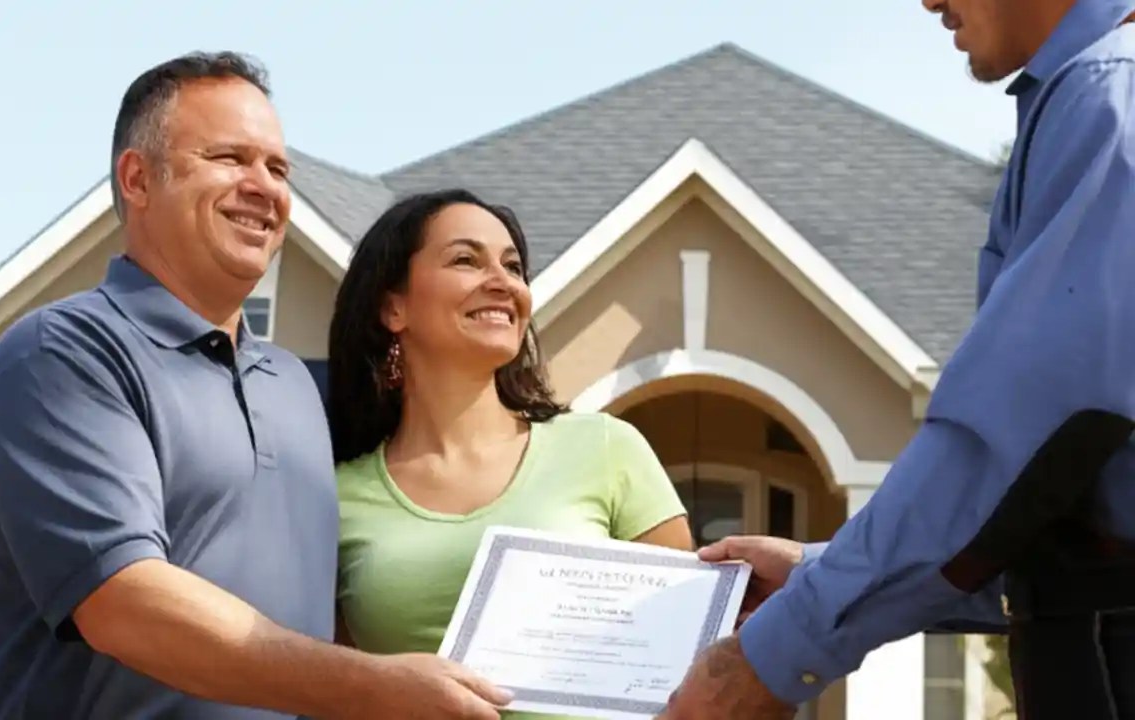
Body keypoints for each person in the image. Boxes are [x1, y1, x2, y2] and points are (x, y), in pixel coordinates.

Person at [0, 52, 513, 720]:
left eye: (277, 168)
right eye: (230, 158)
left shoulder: (295, 387)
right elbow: (126, 605)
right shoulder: (65, 355)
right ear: (137, 179)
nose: (265, 187)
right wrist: (370, 686)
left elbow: (453, 486)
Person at [657, 0, 1135, 718]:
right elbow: (1054, 511)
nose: (928, 0)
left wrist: (772, 654)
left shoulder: (1109, 96)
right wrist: (820, 574)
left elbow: (1026, 437)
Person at [325, 188, 695, 719]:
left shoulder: (607, 448)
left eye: (514, 266)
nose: (502, 282)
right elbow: (335, 684)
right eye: (465, 260)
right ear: (392, 306)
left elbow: (685, 654)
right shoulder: (336, 495)